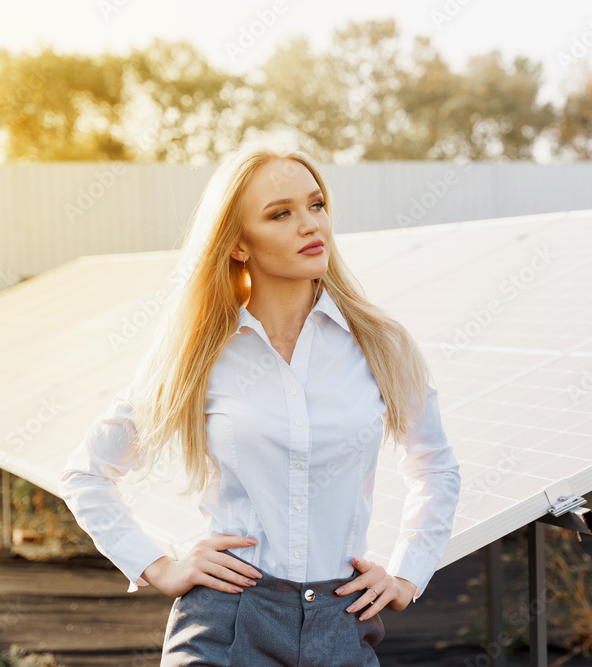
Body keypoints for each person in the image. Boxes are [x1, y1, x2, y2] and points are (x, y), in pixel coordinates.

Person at [57, 140, 462, 666]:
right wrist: (159, 566)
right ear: (238, 244)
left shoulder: (381, 345)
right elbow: (87, 474)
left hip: (340, 621)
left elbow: (436, 467)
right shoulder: (198, 353)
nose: (310, 225)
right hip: (226, 623)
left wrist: (409, 573)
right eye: (280, 214)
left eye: (316, 205)